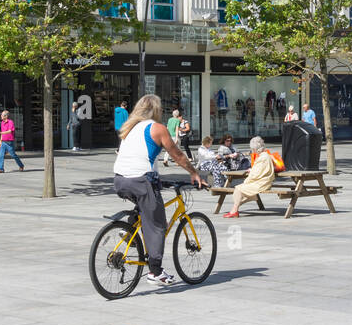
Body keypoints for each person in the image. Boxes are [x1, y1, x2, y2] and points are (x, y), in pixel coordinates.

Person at [112, 95, 203, 287]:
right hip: (141, 181)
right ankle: (155, 271)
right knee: (158, 224)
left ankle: (130, 232)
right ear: (157, 110)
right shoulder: (156, 128)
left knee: (145, 209)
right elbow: (177, 155)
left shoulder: (129, 129)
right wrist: (194, 173)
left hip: (120, 180)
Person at [224, 135, 277, 219]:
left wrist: (251, 172)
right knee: (239, 190)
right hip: (263, 181)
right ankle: (234, 210)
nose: (252, 150)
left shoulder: (263, 157)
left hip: (262, 183)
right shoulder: (265, 156)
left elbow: (257, 174)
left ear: (255, 148)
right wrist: (252, 170)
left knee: (238, 189)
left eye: (252, 148)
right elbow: (260, 171)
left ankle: (234, 211)